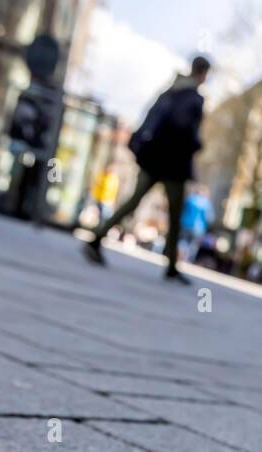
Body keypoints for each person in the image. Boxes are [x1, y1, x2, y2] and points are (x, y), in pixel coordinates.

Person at [83, 56, 211, 283]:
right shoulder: (193, 98)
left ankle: (98, 237)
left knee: (134, 201)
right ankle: (171, 266)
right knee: (175, 213)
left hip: (154, 158)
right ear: (203, 74)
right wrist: (196, 143)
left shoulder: (172, 90)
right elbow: (184, 128)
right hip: (174, 164)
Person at [179, 185, 214, 262]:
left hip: (185, 224)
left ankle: (180, 256)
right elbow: (210, 218)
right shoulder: (206, 203)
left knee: (183, 241)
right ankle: (188, 259)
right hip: (199, 227)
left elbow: (181, 209)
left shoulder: (190, 199)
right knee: (193, 244)